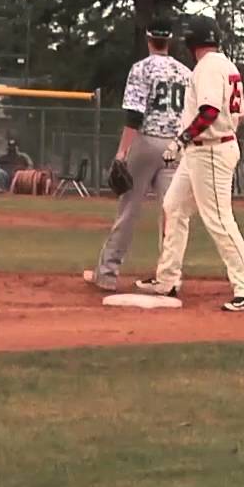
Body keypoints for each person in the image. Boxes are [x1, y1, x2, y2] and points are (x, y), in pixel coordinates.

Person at [136, 16, 244, 312]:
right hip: (204, 150)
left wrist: (181, 140)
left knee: (219, 220)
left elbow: (208, 111)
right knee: (174, 207)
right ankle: (167, 280)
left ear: (192, 41)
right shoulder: (226, 65)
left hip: (211, 152)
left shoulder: (207, 67)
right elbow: (238, 114)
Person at [84, 19, 191, 292]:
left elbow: (134, 116)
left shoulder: (141, 69)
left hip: (146, 142)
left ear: (148, 38)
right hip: (176, 147)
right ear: (170, 40)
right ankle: (171, 278)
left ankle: (107, 274)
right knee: (171, 213)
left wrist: (122, 152)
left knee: (129, 210)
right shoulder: (185, 72)